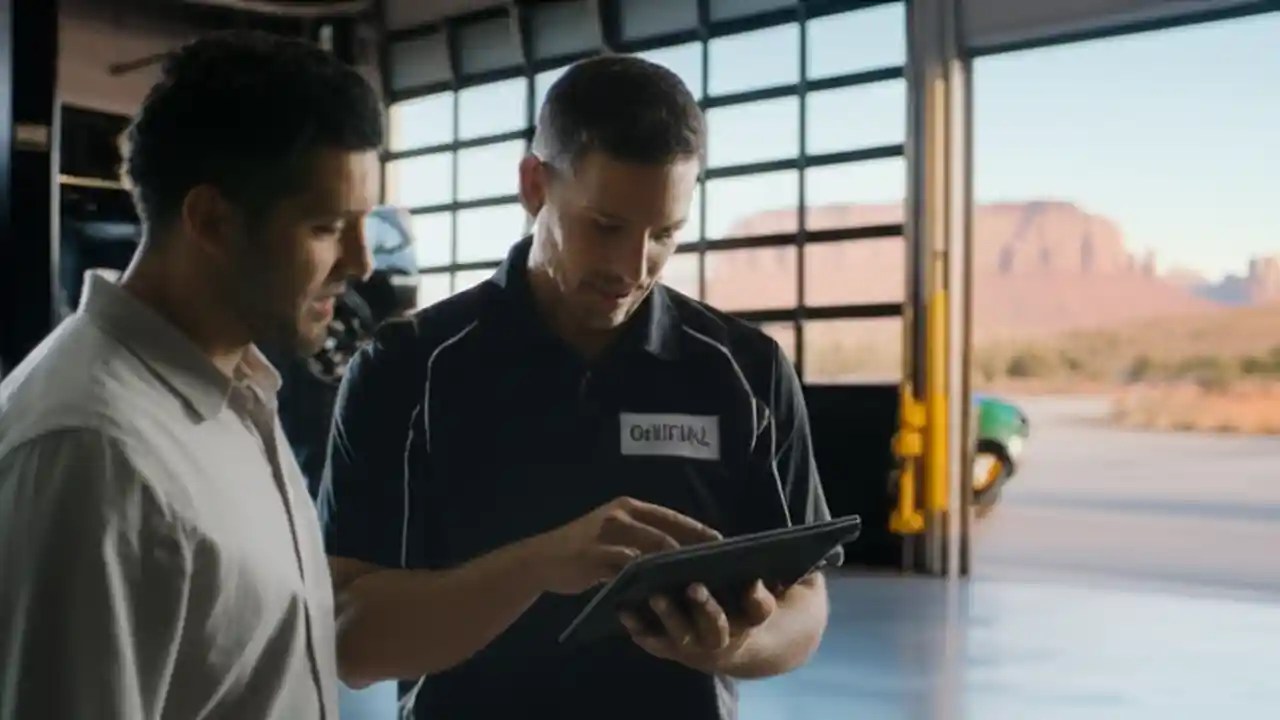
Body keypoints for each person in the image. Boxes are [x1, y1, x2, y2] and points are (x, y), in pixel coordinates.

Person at [320, 54, 842, 719]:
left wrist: (734, 643)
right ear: (535, 184)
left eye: (665, 234)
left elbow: (806, 601)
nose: (632, 268)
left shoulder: (746, 370)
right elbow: (349, 639)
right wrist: (539, 565)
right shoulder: (406, 369)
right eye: (606, 227)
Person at [0, 30, 383, 719]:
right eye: (328, 226)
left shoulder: (243, 395)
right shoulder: (94, 452)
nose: (362, 262)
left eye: (365, 223)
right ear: (211, 220)